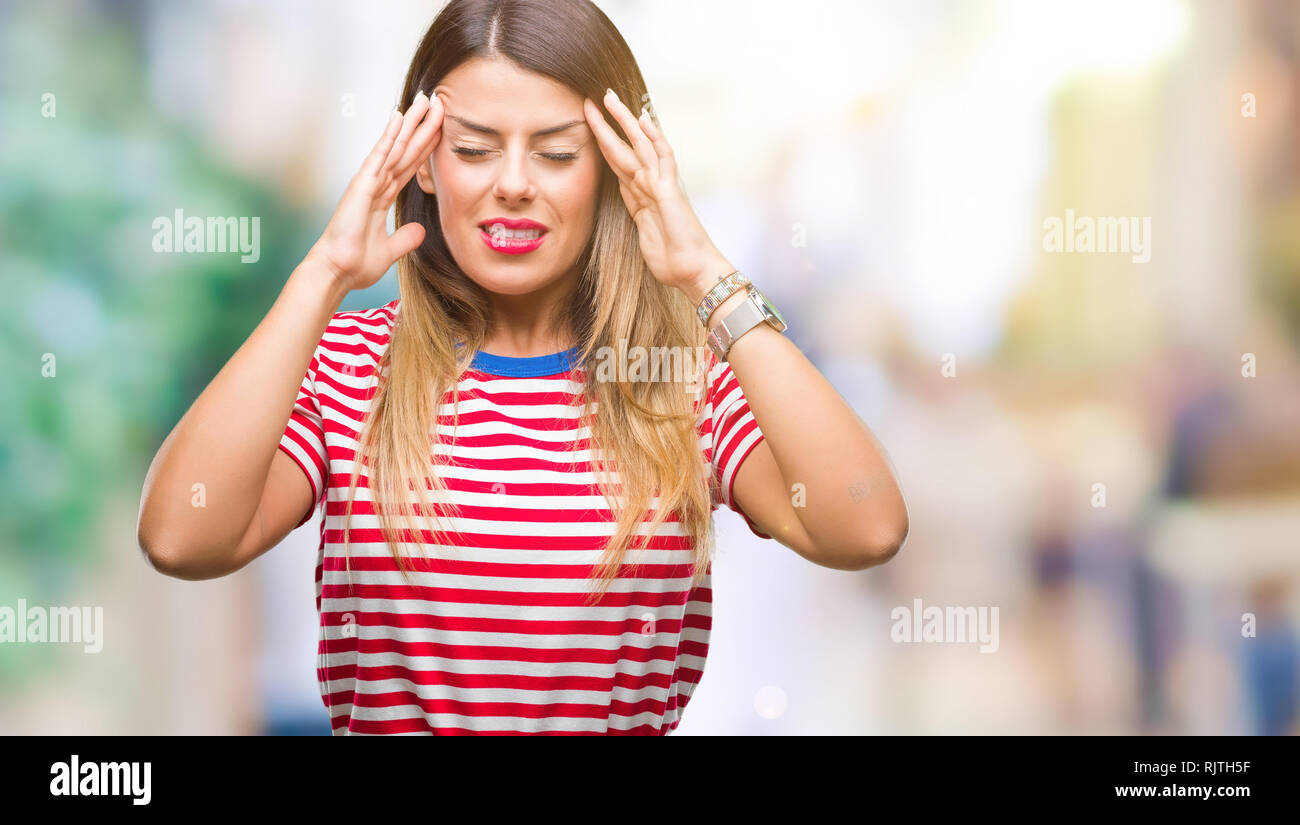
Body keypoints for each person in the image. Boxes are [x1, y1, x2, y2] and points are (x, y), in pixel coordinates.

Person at [136, 0, 909, 735]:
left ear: (610, 169)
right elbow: (180, 536)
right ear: (426, 166)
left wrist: (706, 274)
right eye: (473, 149)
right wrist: (323, 274)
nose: (512, 183)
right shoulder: (349, 367)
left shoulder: (680, 381)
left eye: (557, 152)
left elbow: (866, 525)